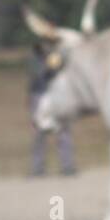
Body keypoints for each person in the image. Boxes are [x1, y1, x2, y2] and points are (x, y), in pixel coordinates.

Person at [28, 43, 76, 176]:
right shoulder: (34, 58)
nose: (47, 48)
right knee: (38, 133)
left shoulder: (58, 56)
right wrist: (48, 66)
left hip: (56, 95)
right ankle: (37, 169)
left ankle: (68, 166)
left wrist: (58, 62)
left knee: (63, 130)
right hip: (39, 95)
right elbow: (37, 75)